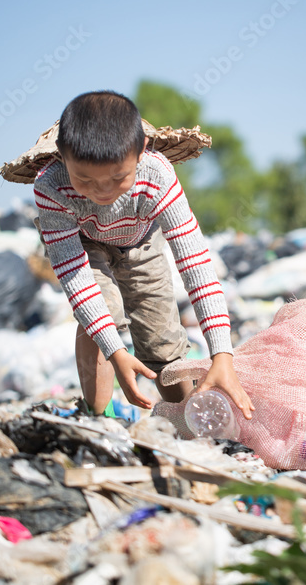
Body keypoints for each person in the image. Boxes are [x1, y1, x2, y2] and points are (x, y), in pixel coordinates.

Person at [32, 90, 253, 419]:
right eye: (85, 179)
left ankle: (188, 422)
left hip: (142, 241)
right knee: (100, 310)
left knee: (161, 338)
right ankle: (98, 418)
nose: (103, 191)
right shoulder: (51, 186)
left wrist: (222, 354)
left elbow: (196, 264)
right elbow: (75, 279)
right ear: (62, 158)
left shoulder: (157, 175)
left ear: (141, 153)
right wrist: (116, 351)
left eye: (119, 177)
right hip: (85, 243)